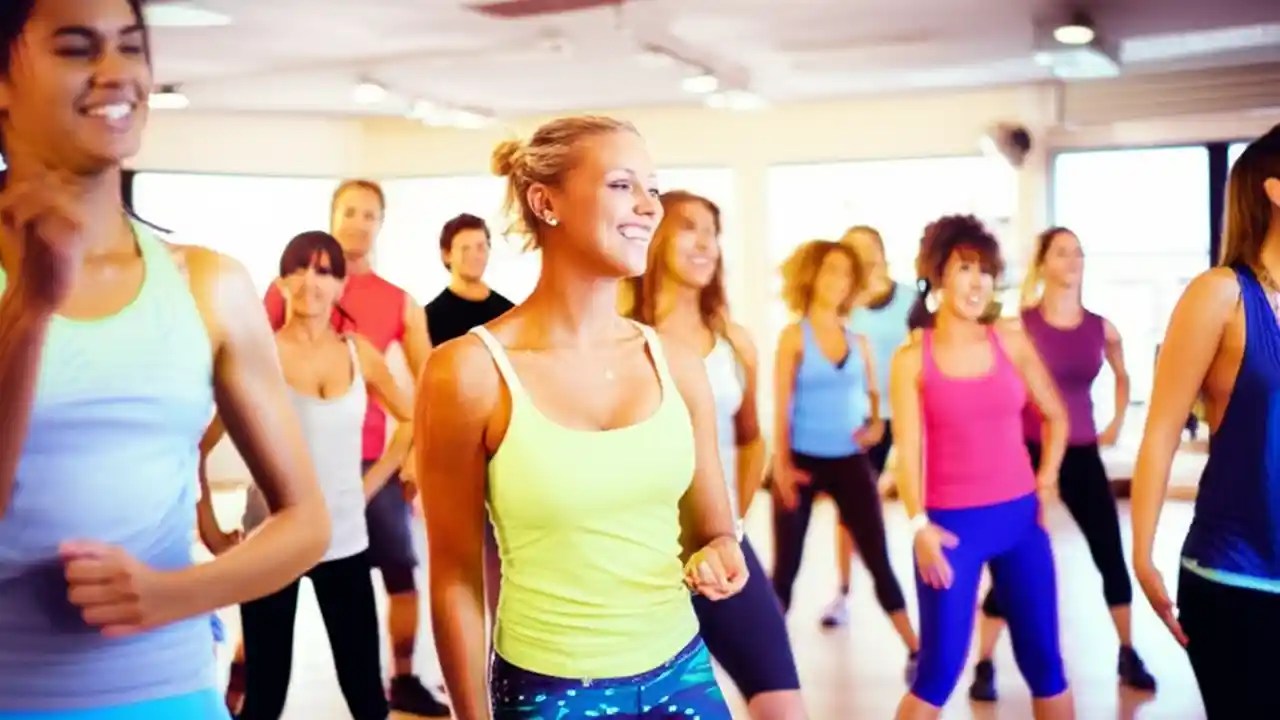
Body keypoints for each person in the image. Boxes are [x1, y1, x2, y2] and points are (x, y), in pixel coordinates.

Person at [0, 0, 331, 717]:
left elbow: (307, 520)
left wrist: (169, 595)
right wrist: (28, 315)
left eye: (131, 47)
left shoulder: (209, 283)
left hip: (169, 693)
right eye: (78, 48)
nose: (117, 73)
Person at [416, 115, 747, 720]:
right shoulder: (466, 373)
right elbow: (455, 581)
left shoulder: (678, 364)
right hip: (550, 692)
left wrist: (721, 553)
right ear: (546, 202)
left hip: (684, 676)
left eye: (653, 187)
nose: (650, 207)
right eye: (623, 185)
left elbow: (712, 530)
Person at [200, 232, 415, 720]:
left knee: (365, 694)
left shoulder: (360, 353)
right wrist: (209, 525)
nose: (309, 282)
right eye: (298, 269)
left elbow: (410, 421)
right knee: (266, 694)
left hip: (343, 539)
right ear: (281, 281)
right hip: (272, 539)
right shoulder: (258, 354)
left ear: (341, 285)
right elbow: (198, 442)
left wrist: (368, 485)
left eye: (323, 271)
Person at [260, 179, 443, 716]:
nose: (360, 221)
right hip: (285, 483)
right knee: (269, 652)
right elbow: (248, 380)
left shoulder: (394, 304)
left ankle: (403, 677)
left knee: (398, 571)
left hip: (361, 469)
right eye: (351, 211)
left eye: (370, 214)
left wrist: (403, 462)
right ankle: (250, 668)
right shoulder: (283, 299)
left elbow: (425, 385)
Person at [623, 190, 806, 719]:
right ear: (655, 238)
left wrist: (730, 523)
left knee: (782, 699)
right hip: (640, 553)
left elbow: (751, 439)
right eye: (689, 227)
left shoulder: (734, 341)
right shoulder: (620, 337)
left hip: (717, 547)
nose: (706, 242)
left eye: (713, 231)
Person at [889, 215, 1073, 720]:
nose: (977, 282)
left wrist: (1046, 479)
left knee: (1045, 665)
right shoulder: (911, 359)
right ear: (939, 275)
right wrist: (918, 527)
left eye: (986, 271)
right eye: (965, 268)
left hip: (1020, 523)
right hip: (950, 532)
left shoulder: (1009, 340)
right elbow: (908, 457)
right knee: (938, 674)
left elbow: (1056, 416)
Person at [967, 226, 1155, 701]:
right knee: (1012, 556)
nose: (1073, 260)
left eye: (1078, 253)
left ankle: (1128, 652)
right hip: (1026, 451)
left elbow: (1123, 373)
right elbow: (995, 386)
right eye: (1062, 252)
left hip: (1082, 450)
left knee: (1109, 551)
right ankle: (985, 662)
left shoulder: (1101, 327)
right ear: (1043, 263)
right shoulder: (1019, 326)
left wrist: (1115, 420)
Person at [1131, 124, 1280, 718]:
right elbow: (1163, 429)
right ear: (1276, 190)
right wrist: (1141, 555)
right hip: (1234, 577)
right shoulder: (1221, 294)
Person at [772, 239, 919, 680]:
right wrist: (780, 466)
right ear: (810, 277)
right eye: (829, 271)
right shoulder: (794, 336)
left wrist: (875, 425)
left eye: (844, 274)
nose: (838, 281)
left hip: (849, 460)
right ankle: (766, 659)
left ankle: (916, 650)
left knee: (878, 557)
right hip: (801, 461)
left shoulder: (859, 339)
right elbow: (781, 406)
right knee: (787, 568)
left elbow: (877, 395)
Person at [821, 224, 915, 628]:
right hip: (861, 418)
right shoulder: (842, 306)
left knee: (929, 498)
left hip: (909, 414)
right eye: (854, 251)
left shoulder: (911, 299)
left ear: (881, 250)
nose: (864, 257)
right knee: (850, 511)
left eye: (869, 248)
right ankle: (842, 593)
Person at [424, 213, 515, 622]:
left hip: (504, 446)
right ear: (447, 255)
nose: (476, 255)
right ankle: (463, 659)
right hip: (453, 450)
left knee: (502, 553)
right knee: (459, 556)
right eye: (466, 248)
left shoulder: (509, 314)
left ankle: (501, 650)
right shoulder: (429, 316)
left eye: (482, 246)